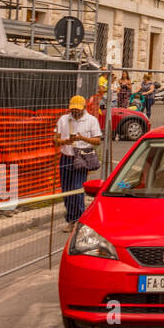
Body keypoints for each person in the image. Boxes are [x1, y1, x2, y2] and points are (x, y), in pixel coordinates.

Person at [55, 95, 103, 230]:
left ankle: (80, 218)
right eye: (73, 109)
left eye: (77, 109)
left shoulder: (91, 120)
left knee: (77, 189)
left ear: (83, 108)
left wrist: (82, 138)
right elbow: (55, 139)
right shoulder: (64, 119)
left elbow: (98, 141)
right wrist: (66, 142)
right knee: (66, 191)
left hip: (81, 158)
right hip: (66, 158)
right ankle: (71, 218)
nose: (75, 112)